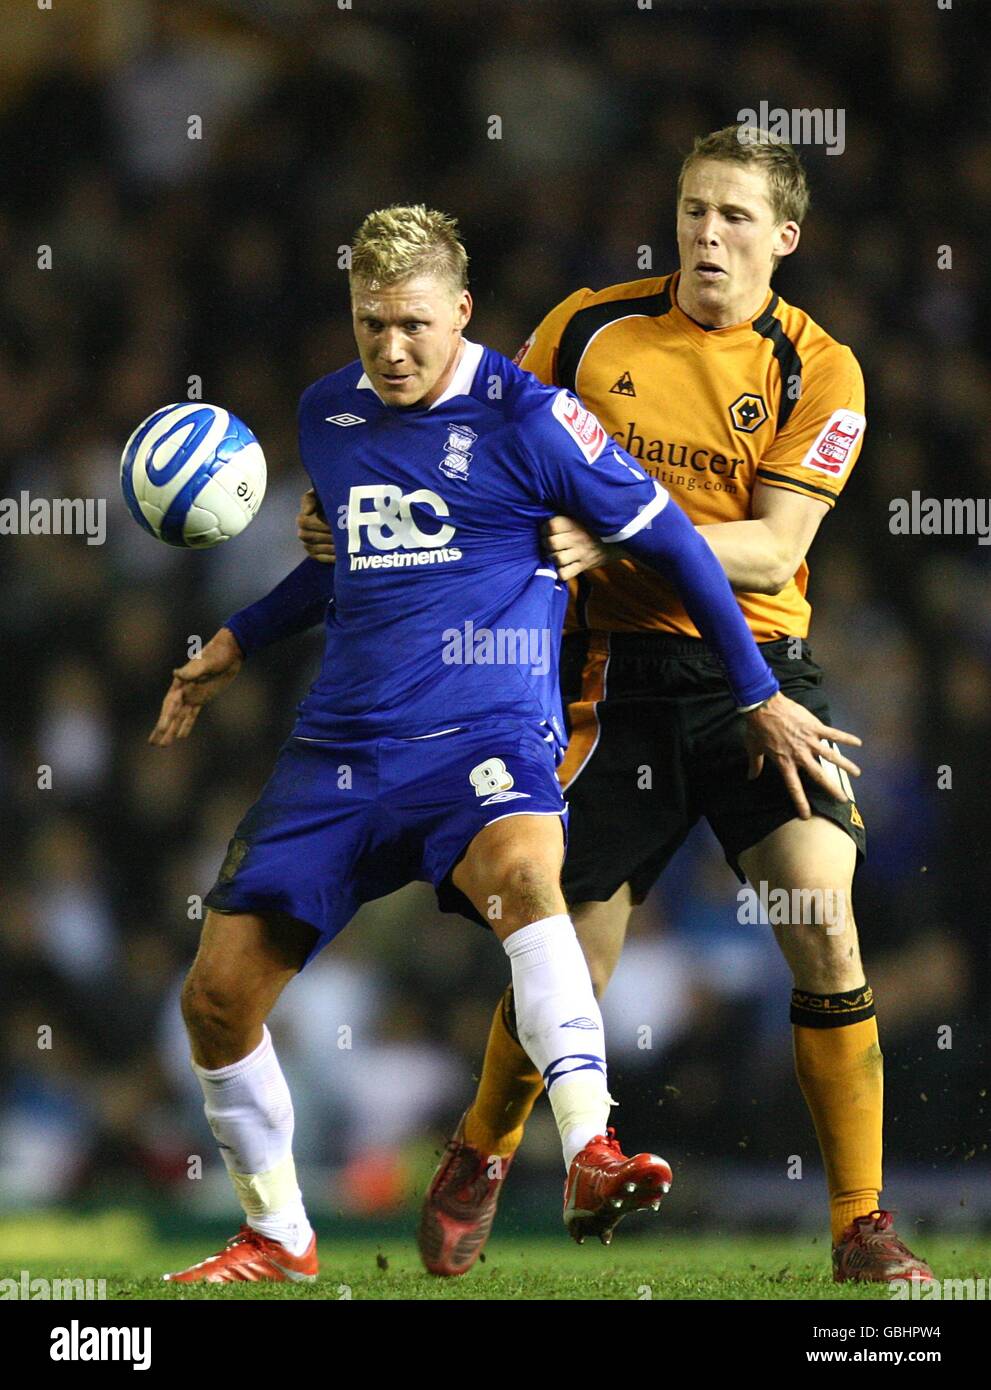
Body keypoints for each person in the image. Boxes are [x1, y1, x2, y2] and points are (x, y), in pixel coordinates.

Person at [152, 203, 860, 1285]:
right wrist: (237, 640)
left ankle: (589, 1149)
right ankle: (277, 1235)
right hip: (340, 746)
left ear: (463, 314)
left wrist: (759, 689)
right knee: (215, 995)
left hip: (486, 732)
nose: (391, 349)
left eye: (414, 326)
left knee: (533, 875)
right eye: (370, 323)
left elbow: (676, 544)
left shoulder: (533, 419)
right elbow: (352, 556)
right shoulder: (326, 415)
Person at [301, 129, 931, 1286]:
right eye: (694, 209)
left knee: (822, 919)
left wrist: (619, 527)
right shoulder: (586, 327)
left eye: (735, 217)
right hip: (601, 670)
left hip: (751, 671)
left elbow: (777, 543)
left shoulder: (817, 368)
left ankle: (857, 1224)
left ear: (783, 239)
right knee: (567, 957)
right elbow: (467, 430)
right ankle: (480, 1153)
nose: (705, 234)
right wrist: (357, 501)